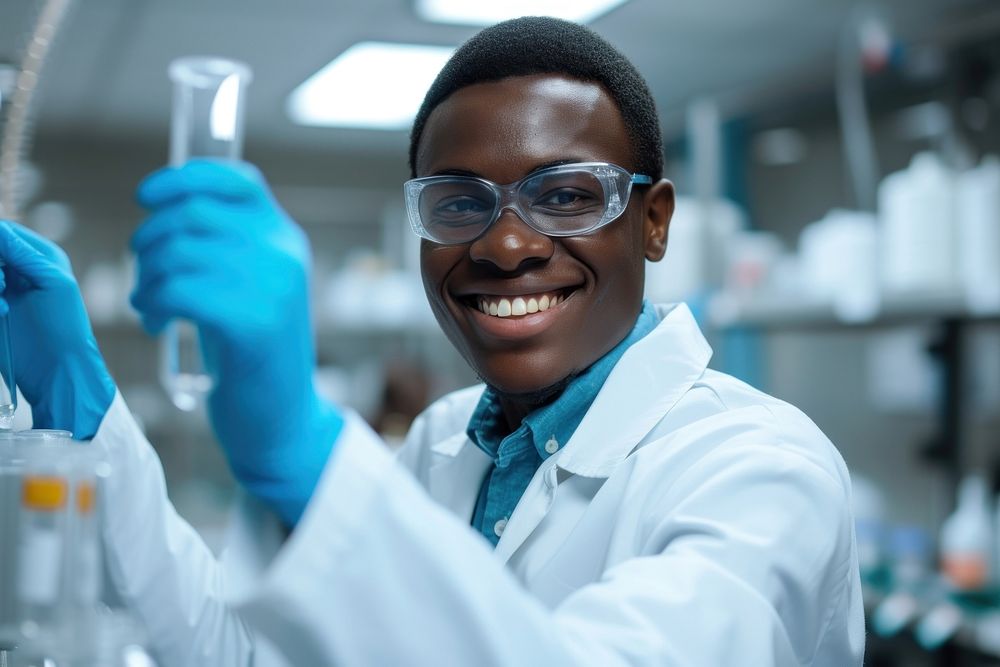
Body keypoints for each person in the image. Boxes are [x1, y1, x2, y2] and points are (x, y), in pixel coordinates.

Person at [0, 16, 864, 666]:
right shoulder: (444, 444)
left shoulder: (759, 471)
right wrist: (83, 413)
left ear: (654, 222)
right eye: (458, 203)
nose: (506, 245)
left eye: (566, 195)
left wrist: (307, 453)